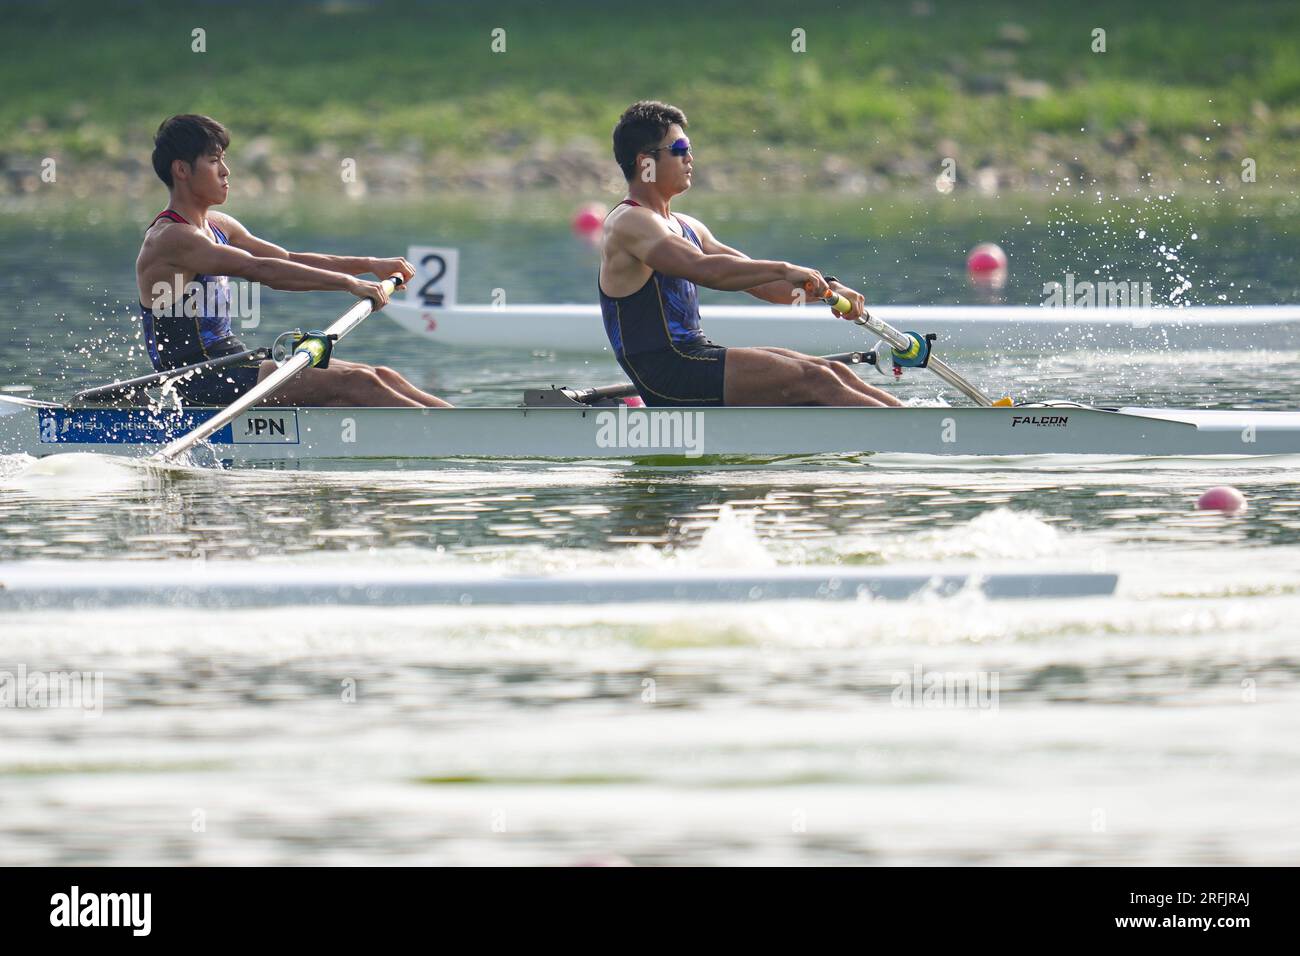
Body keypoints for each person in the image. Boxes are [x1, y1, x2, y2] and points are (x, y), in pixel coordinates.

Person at [598, 101, 900, 408]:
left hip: (694, 356)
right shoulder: (630, 222)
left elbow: (761, 283)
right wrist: (784, 268)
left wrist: (828, 289)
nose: (690, 158)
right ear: (645, 161)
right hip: (665, 373)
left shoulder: (688, 226)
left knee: (832, 371)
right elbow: (706, 270)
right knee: (815, 380)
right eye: (679, 148)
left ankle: (907, 419)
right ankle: (914, 437)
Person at [136, 114, 450, 407]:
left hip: (233, 361)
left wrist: (368, 263)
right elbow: (260, 270)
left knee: (382, 375)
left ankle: (471, 426)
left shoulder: (219, 225)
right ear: (181, 170)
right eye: (214, 161)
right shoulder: (171, 238)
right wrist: (350, 284)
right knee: (358, 382)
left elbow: (288, 259)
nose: (226, 171)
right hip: (197, 380)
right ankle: (462, 438)